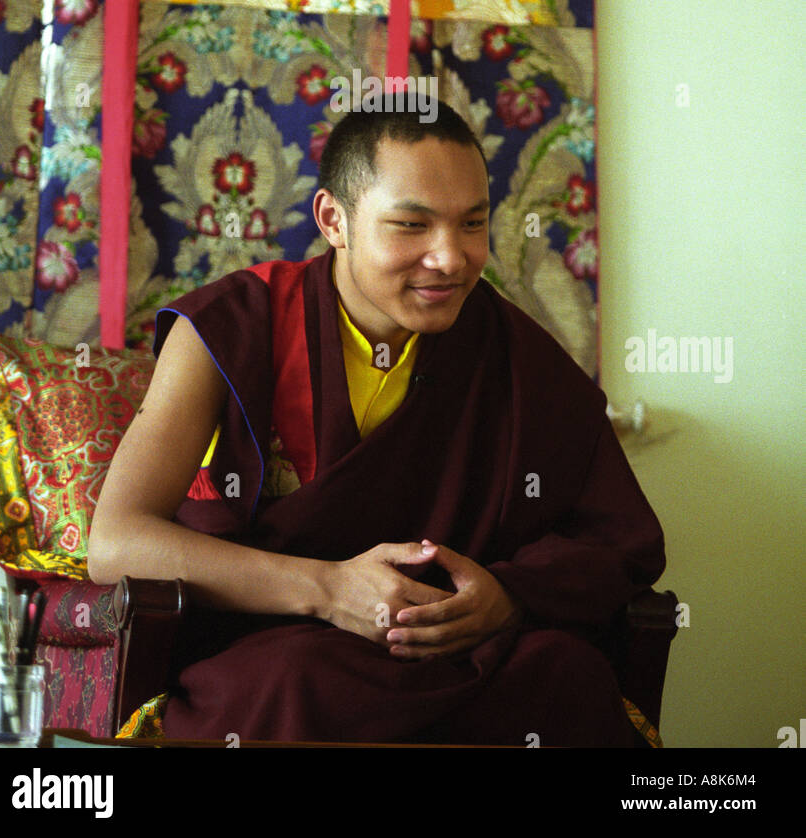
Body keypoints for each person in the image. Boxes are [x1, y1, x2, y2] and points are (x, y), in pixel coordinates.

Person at [88, 101, 666, 745]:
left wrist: (506, 596)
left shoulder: (509, 348)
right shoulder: (235, 327)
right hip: (277, 646)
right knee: (302, 679)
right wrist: (329, 589)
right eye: (411, 225)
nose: (450, 258)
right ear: (335, 220)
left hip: (451, 654)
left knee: (564, 675)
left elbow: (618, 538)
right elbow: (117, 542)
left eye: (472, 223)